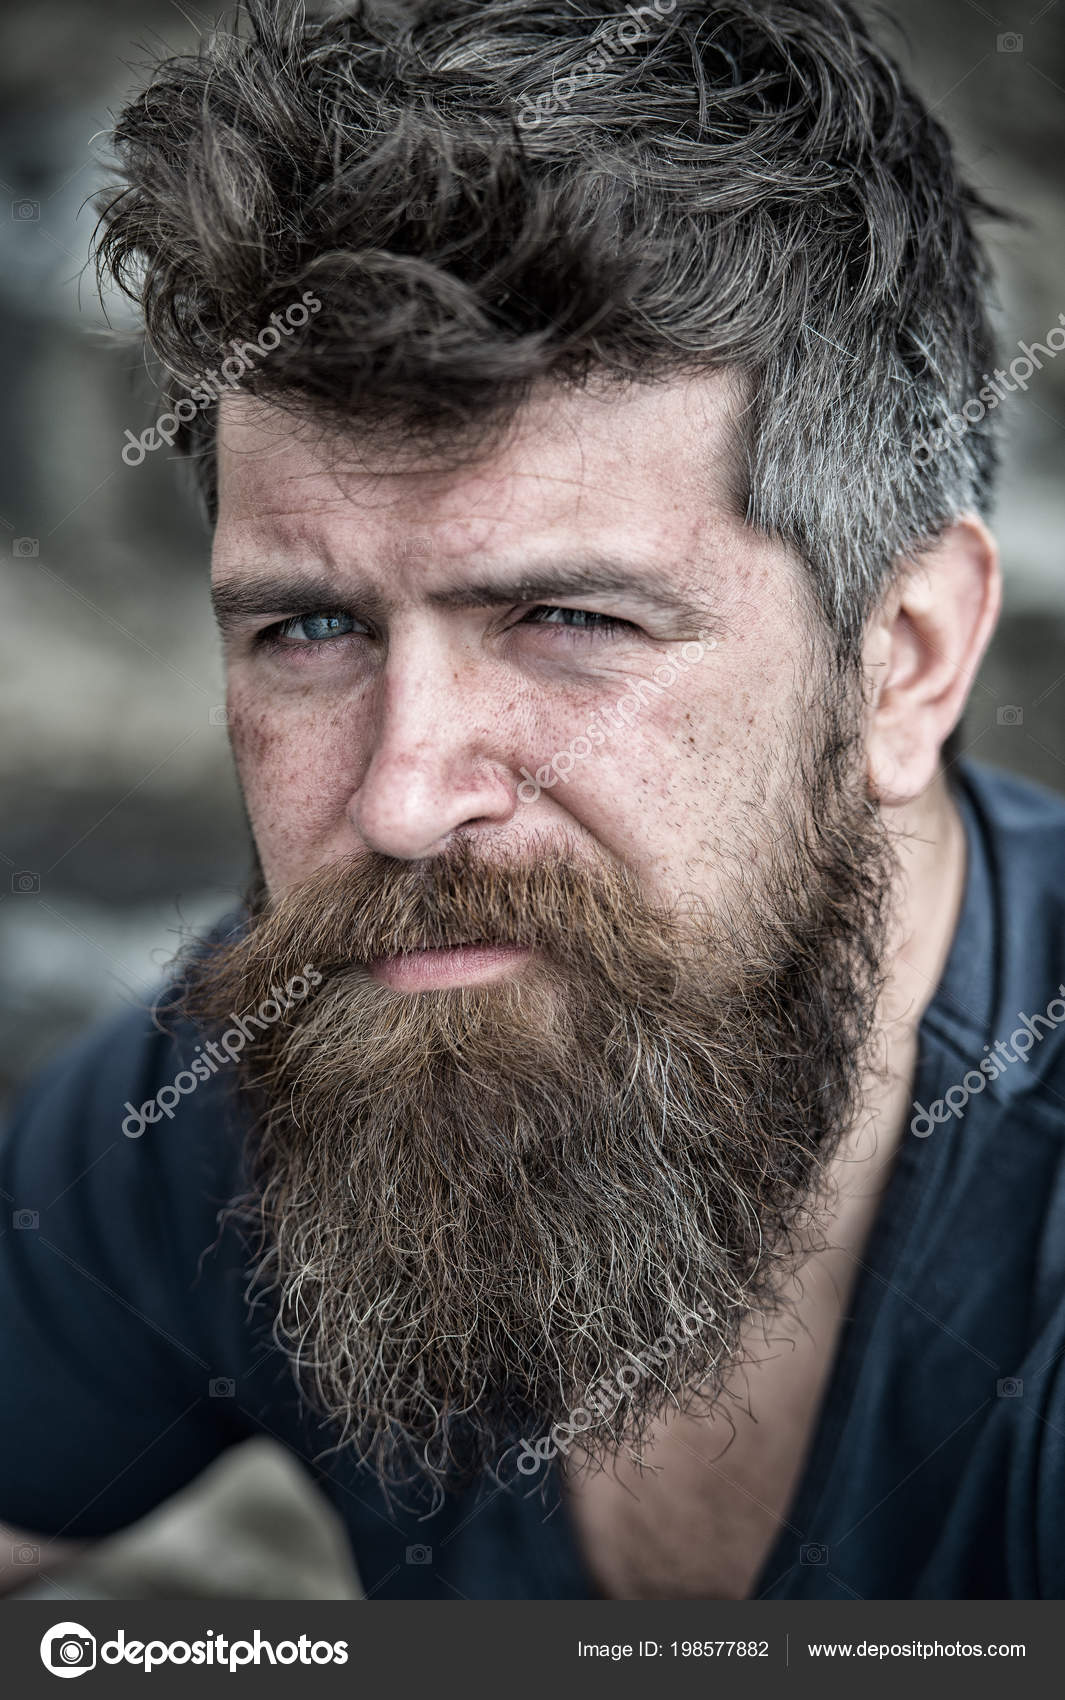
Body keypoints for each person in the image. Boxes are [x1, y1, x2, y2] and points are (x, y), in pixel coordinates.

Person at [3, 0, 1064, 1602]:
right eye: (308, 629)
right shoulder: (280, 1058)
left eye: (568, 622)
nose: (404, 796)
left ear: (902, 662)